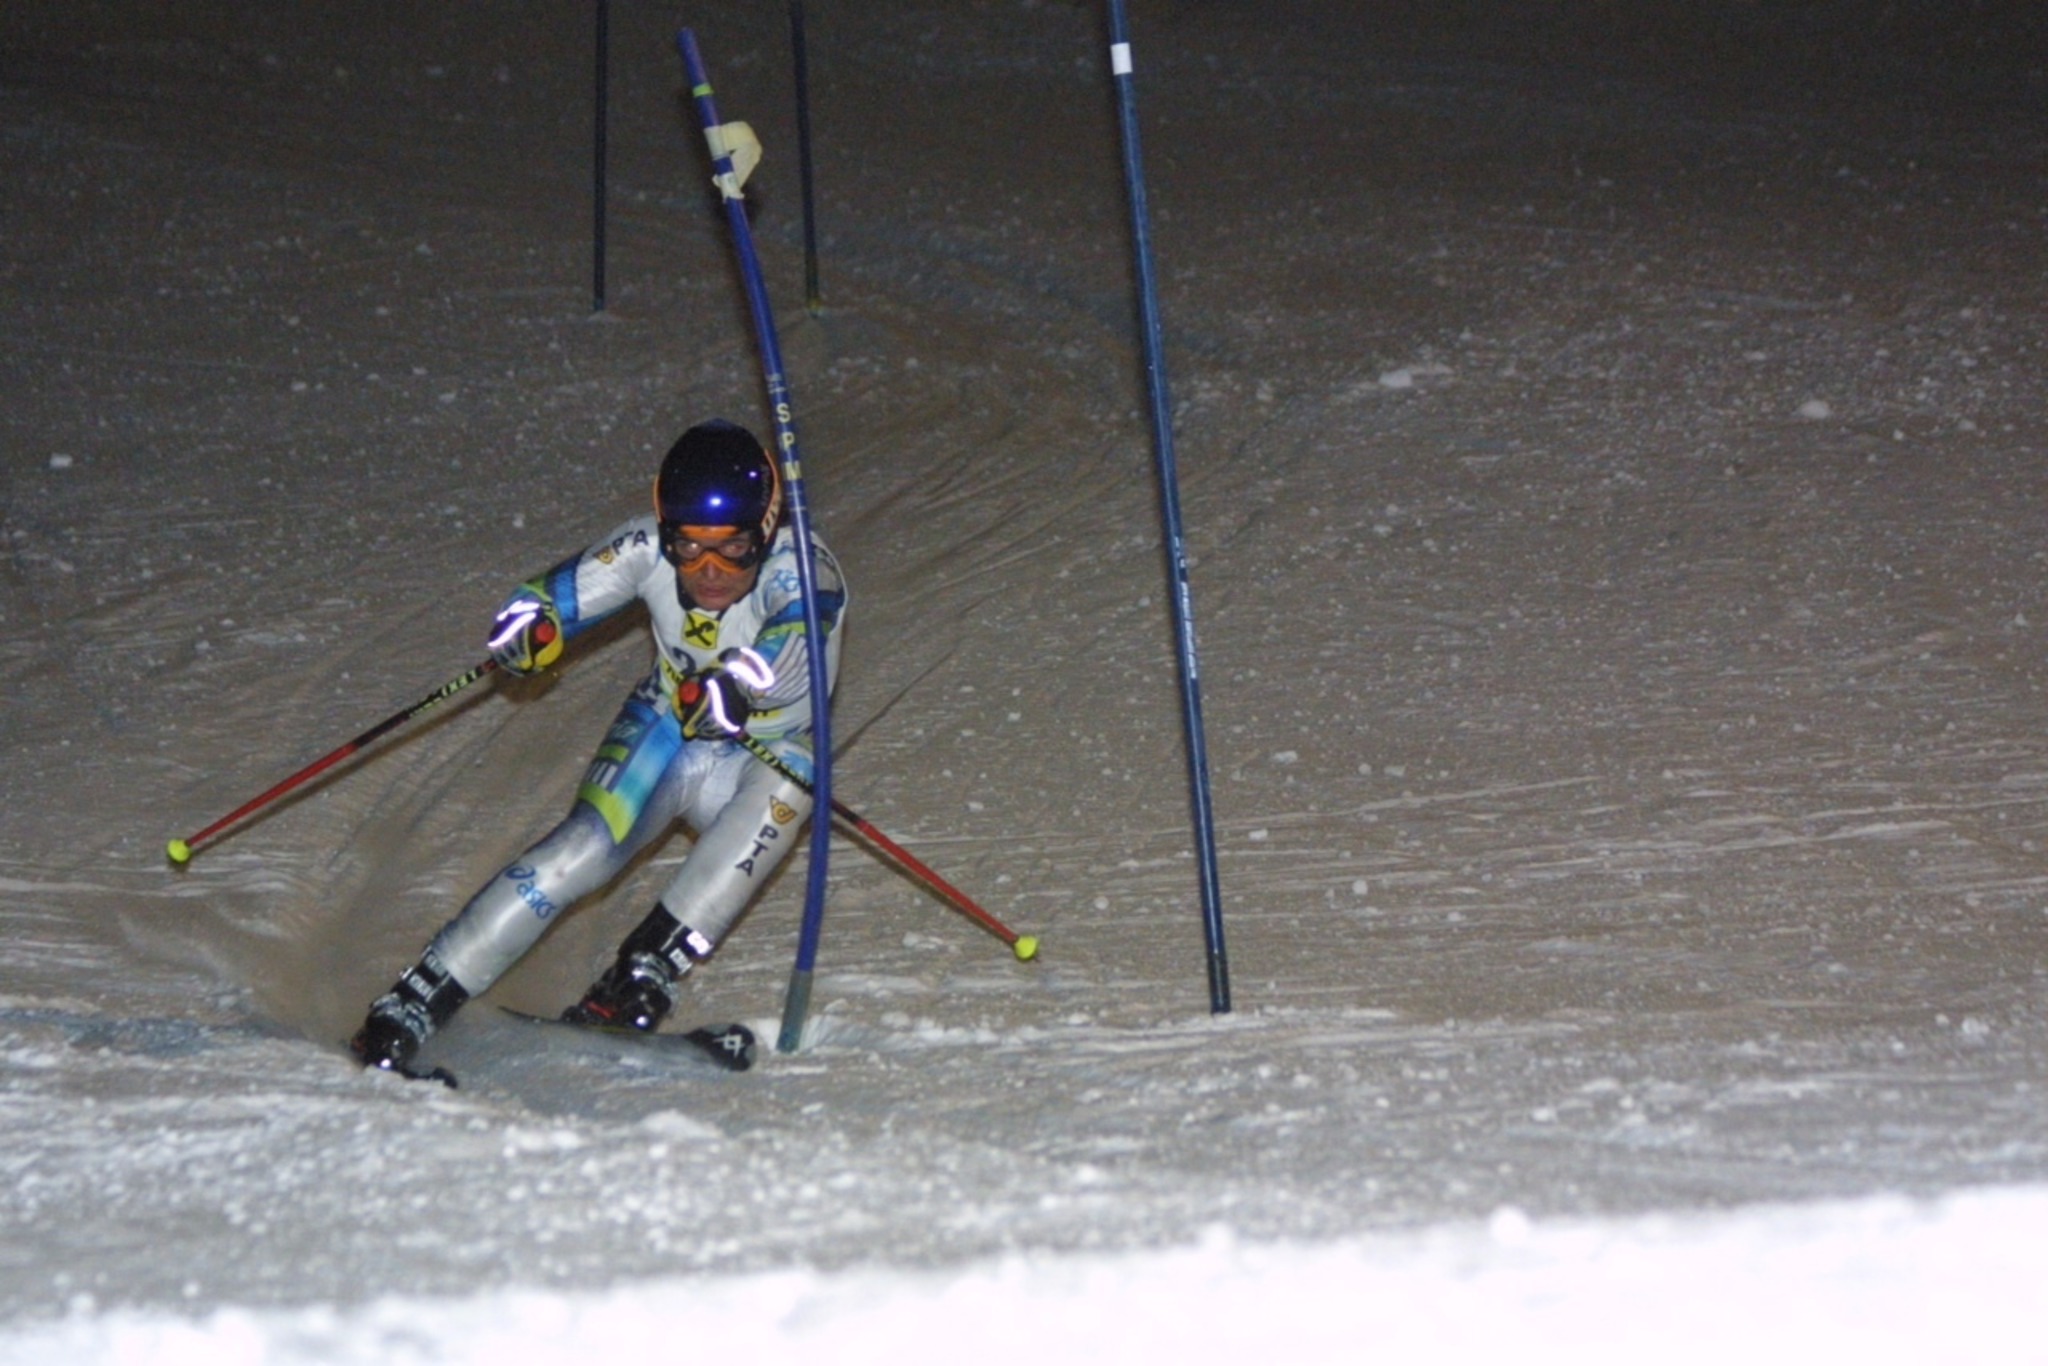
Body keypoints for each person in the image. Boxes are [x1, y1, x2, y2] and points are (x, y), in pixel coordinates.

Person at [349, 419, 846, 1073]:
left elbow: (794, 645)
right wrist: (528, 628)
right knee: (584, 848)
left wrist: (736, 685)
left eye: (734, 551)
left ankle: (644, 970)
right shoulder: (644, 549)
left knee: (800, 774)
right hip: (668, 729)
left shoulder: (804, 571)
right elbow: (551, 598)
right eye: (688, 548)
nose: (710, 571)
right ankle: (416, 997)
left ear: (769, 527)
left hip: (761, 756)